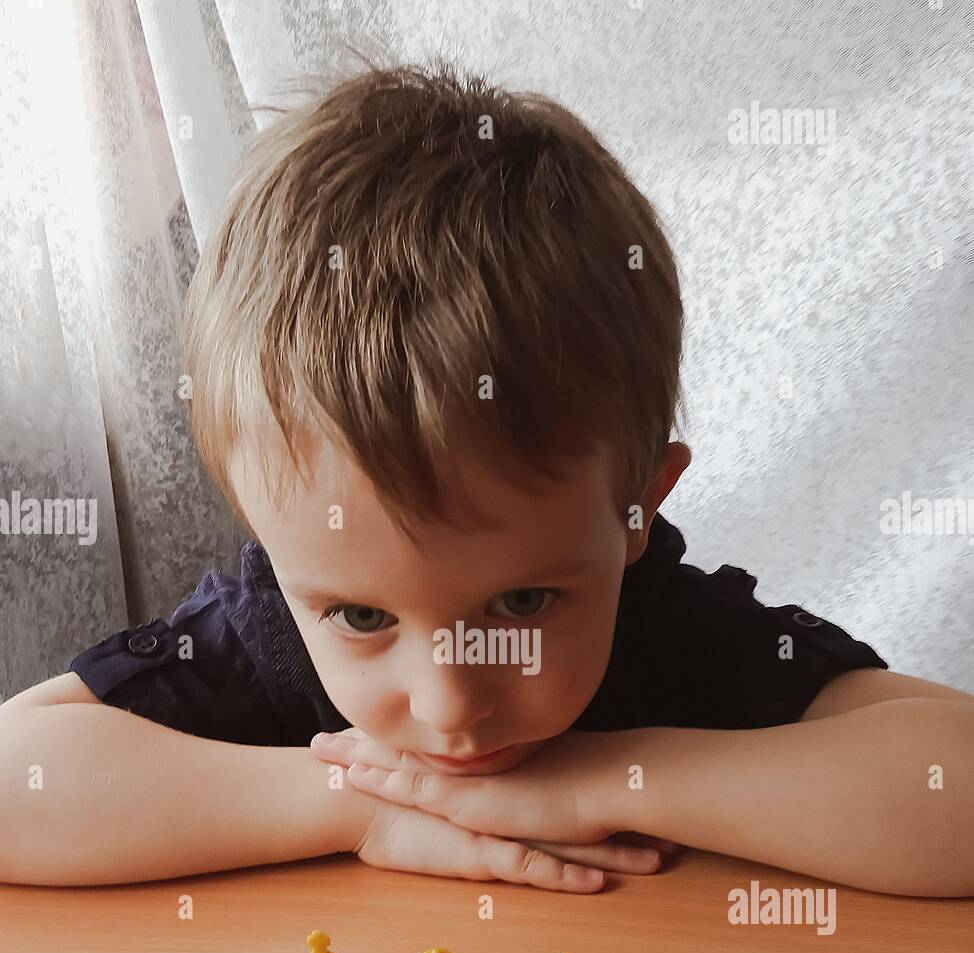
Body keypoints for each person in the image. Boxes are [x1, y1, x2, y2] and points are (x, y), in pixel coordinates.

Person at [2, 63, 971, 895]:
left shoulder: (666, 634)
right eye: (361, 618)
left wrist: (607, 778)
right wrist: (359, 809)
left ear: (639, 508)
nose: (448, 705)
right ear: (265, 529)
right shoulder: (265, 640)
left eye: (518, 599)